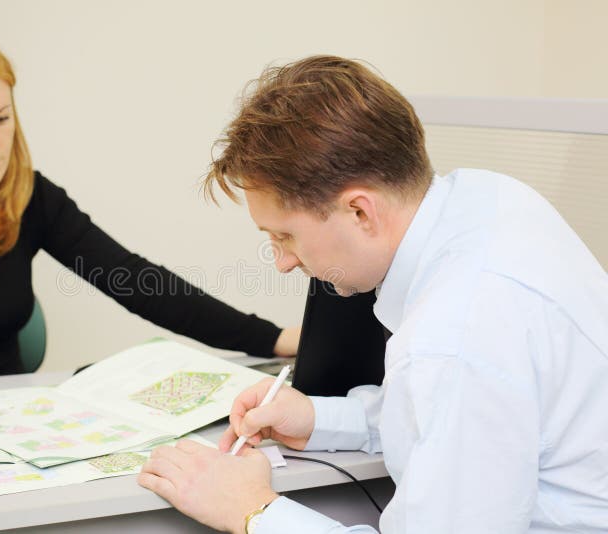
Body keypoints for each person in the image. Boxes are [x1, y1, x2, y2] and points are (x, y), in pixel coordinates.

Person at [137, 55, 608, 533]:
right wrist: (319, 417)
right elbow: (447, 414)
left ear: (360, 212)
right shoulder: (489, 198)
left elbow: (455, 382)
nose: (282, 261)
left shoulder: (458, 334)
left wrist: (252, 509)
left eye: (285, 237)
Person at [0, 27, 300, 444]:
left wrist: (272, 338)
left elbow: (131, 279)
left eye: (1, 119)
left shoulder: (27, 197)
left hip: (6, 432)